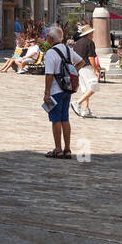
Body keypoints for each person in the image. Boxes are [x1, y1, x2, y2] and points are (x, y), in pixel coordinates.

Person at [42, 25, 83, 159]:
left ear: (51, 38)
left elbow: (49, 74)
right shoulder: (66, 49)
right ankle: (67, 149)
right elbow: (81, 62)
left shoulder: (51, 53)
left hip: (55, 90)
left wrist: (46, 93)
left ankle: (58, 149)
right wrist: (72, 73)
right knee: (65, 118)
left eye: (47, 36)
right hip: (67, 89)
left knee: (56, 120)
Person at [72, 23, 102, 119]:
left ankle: (86, 110)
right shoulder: (90, 43)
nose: (93, 34)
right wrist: (96, 70)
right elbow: (91, 58)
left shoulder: (77, 43)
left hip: (79, 68)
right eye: (92, 33)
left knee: (85, 89)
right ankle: (77, 103)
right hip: (86, 67)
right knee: (94, 85)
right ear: (89, 34)